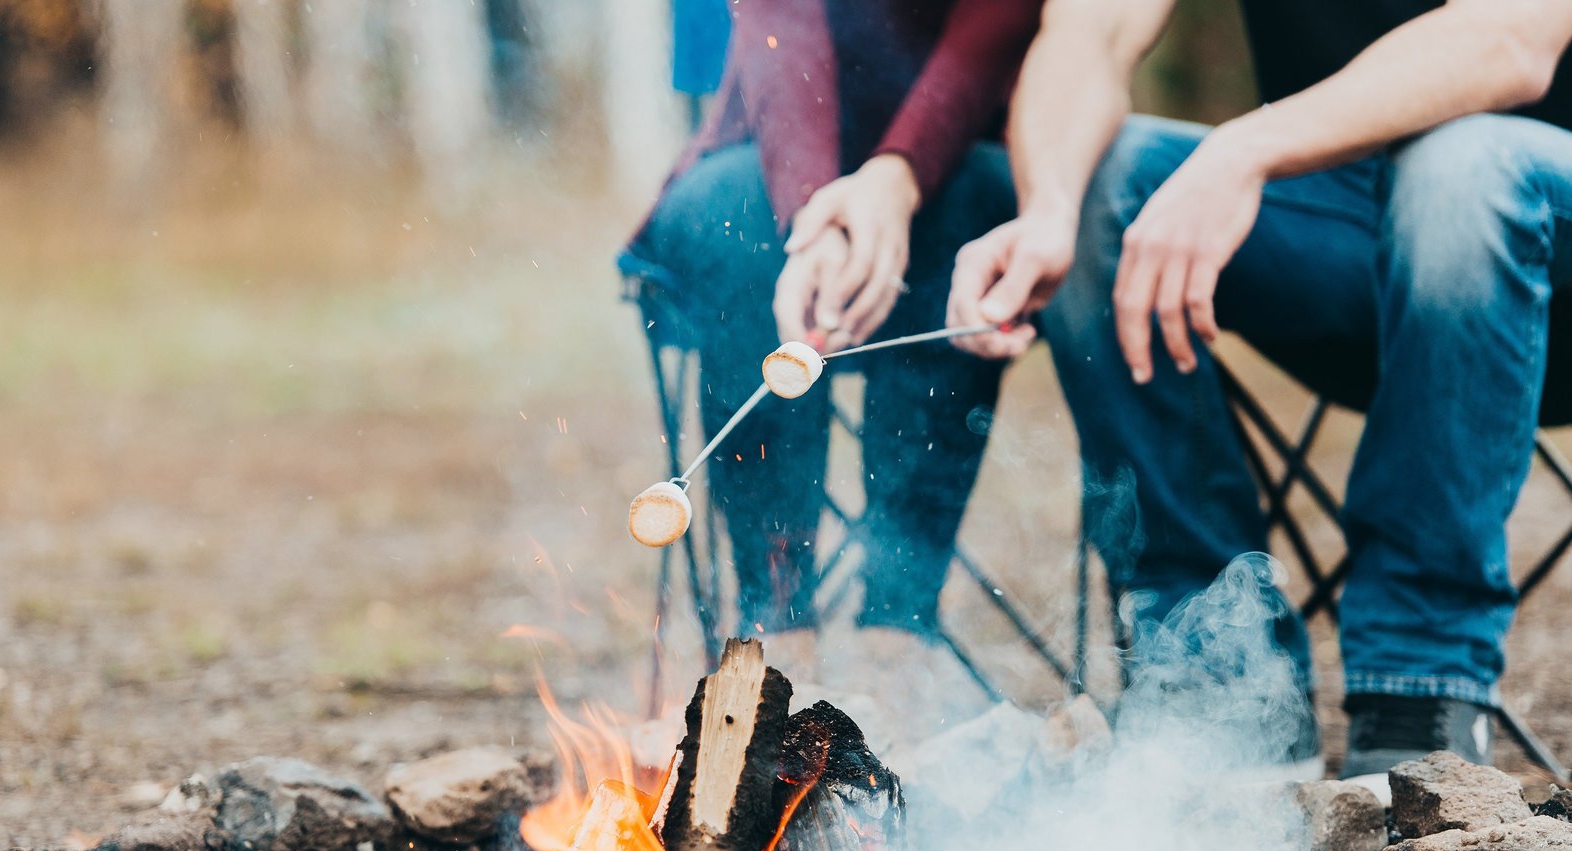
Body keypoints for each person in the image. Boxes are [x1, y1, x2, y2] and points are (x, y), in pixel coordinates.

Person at [947, 0, 1572, 782]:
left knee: (1464, 164)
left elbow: (1512, 39)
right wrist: (1050, 209)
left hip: (1540, 231)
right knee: (1106, 178)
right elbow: (1089, 31)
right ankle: (1217, 674)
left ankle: (1421, 692)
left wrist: (1244, 149)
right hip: (1352, 238)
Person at [628, 1, 1040, 694]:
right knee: (738, 215)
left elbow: (998, 25)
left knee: (970, 207)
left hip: (957, 158)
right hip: (760, 160)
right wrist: (814, 215)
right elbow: (782, 23)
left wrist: (895, 179)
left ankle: (899, 633)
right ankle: (775, 627)